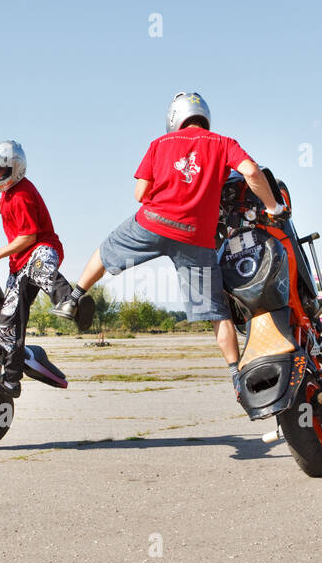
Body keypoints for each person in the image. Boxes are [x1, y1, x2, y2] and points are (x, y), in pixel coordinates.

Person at [54, 92, 286, 396]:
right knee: (217, 313)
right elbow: (252, 172)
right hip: (195, 238)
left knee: (106, 250)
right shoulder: (223, 143)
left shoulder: (158, 144)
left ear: (174, 119)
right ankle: (236, 375)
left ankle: (74, 297)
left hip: (151, 223)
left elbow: (139, 194)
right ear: (205, 117)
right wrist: (274, 208)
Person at [0, 140, 92, 396]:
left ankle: (73, 304)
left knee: (39, 268)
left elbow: (29, 238)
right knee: (8, 323)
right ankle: (11, 382)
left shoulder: (23, 193)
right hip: (18, 266)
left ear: (15, 169)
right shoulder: (10, 191)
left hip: (41, 250)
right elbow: (2, 205)